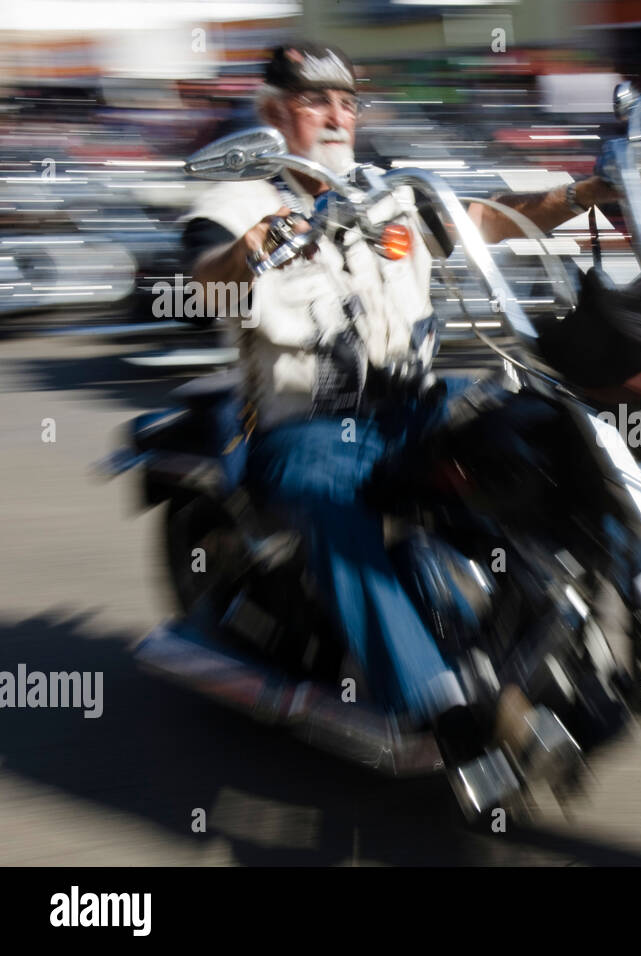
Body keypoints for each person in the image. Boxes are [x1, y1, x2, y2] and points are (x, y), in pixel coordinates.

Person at [179, 42, 618, 780]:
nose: (336, 114)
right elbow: (200, 291)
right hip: (309, 425)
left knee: (540, 434)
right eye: (316, 100)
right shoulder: (237, 202)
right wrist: (252, 249)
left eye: (346, 100)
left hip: (415, 404)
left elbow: (486, 218)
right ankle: (444, 709)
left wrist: (584, 194)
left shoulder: (385, 191)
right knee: (333, 507)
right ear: (273, 114)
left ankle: (545, 643)